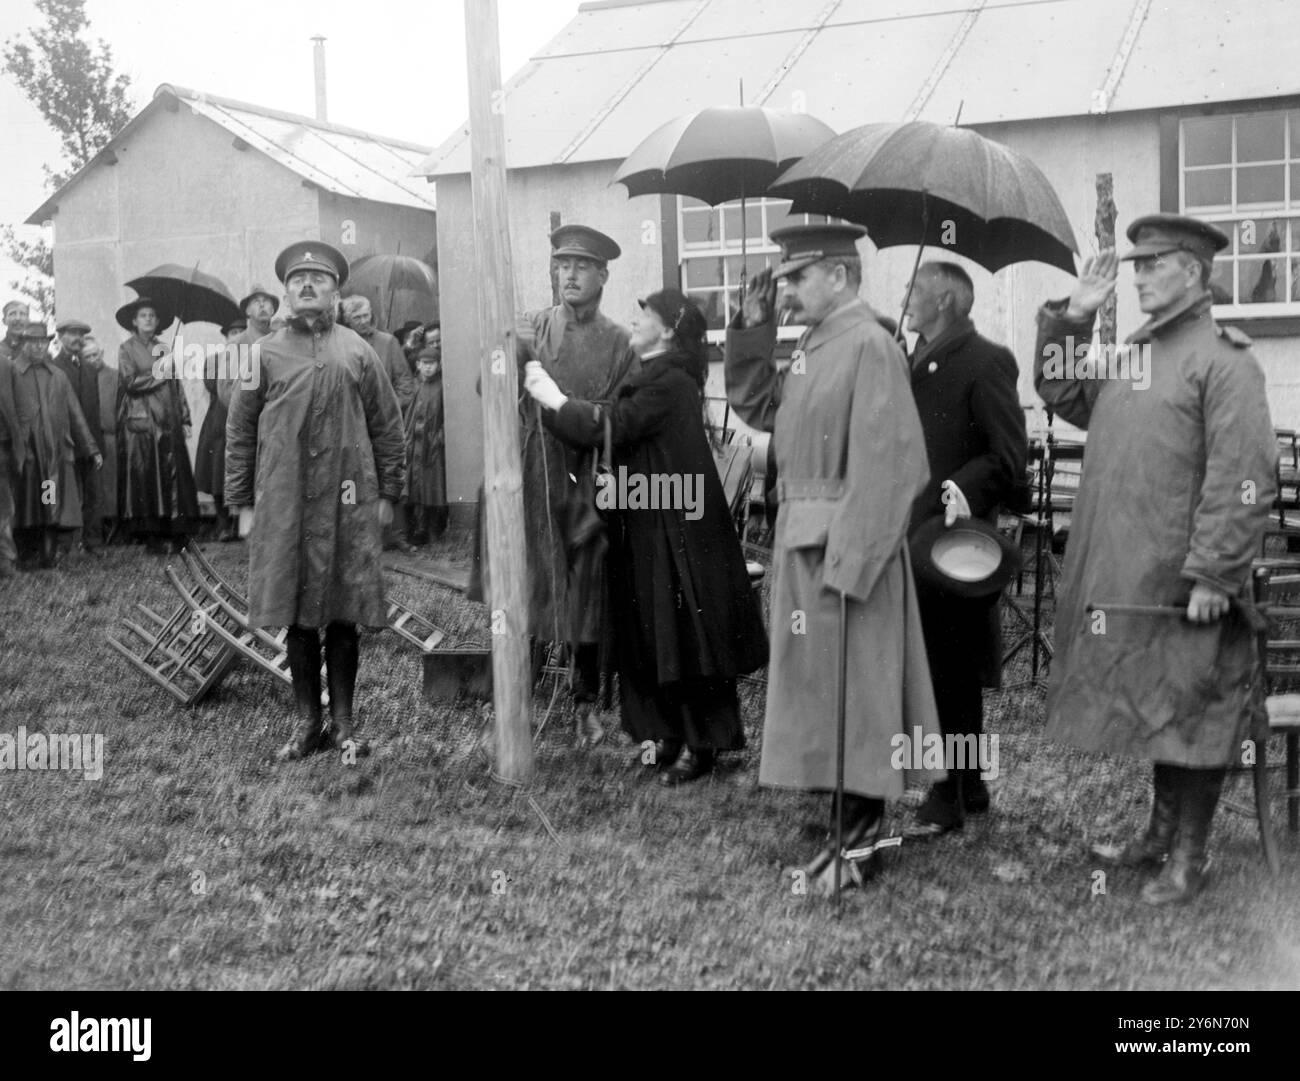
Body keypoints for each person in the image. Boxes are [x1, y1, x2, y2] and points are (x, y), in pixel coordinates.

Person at [1034, 214, 1276, 905]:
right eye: (1135, 264)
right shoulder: (1137, 355)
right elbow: (1062, 391)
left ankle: (1190, 858)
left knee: (1194, 712)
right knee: (1158, 706)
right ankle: (1158, 833)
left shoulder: (1226, 362)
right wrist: (1072, 319)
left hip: (1186, 582)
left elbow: (1245, 480)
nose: (1137, 274)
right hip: (1133, 575)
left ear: (1195, 273)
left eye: (1154, 264)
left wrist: (1215, 574)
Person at [725, 224, 943, 887]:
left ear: (839, 276)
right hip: (804, 546)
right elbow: (762, 408)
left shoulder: (872, 345)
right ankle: (843, 835)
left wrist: (852, 562)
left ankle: (858, 844)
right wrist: (751, 333)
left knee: (861, 700)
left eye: (795, 276)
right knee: (826, 699)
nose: (783, 287)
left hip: (848, 555)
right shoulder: (815, 346)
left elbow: (894, 466)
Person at [525, 289, 768, 783]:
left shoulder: (670, 382)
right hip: (650, 522)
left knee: (684, 635)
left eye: (646, 317)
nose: (635, 323)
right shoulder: (653, 376)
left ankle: (702, 747)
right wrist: (560, 406)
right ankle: (669, 738)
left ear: (669, 330)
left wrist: (553, 398)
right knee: (656, 633)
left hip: (676, 530)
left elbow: (613, 426)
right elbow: (608, 429)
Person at [225, 241, 405, 762]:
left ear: (336, 291)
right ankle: (308, 724)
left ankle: (345, 724)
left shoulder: (357, 350)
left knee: (344, 612)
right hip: (286, 503)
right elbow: (240, 433)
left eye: (319, 278)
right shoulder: (263, 354)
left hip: (349, 502)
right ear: (285, 290)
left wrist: (388, 493)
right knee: (298, 615)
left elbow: (388, 427)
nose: (307, 285)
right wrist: (243, 505)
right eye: (298, 278)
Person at [474, 224, 637, 746]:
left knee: (585, 588)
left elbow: (623, 415)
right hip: (531, 473)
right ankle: (516, 693)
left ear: (603, 275)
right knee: (526, 580)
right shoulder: (534, 327)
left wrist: (574, 415)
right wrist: (509, 348)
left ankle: (584, 704)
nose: (569, 275)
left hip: (587, 476)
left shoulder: (620, 342)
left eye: (582, 267)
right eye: (562, 265)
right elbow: (488, 385)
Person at [902, 262, 1028, 832]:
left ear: (947, 302)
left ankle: (946, 794)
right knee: (937, 661)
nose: (904, 299)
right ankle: (970, 784)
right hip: (913, 534)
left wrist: (964, 485)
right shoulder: (911, 359)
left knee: (946, 666)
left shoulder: (986, 359)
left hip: (950, 542)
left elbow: (1010, 457)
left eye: (914, 291)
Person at [11, 323, 102, 568]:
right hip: (25, 456)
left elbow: (76, 413)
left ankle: (47, 551)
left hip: (52, 458)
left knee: (49, 500)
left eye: (44, 341)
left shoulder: (58, 376)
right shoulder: (12, 372)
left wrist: (91, 447)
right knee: (25, 503)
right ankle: (24, 552)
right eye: (33, 341)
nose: (40, 346)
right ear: (23, 343)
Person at [115, 296, 200, 553]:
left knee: (173, 476)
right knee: (148, 476)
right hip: (144, 422)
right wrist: (157, 373)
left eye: (152, 315)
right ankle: (152, 537)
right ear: (134, 321)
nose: (149, 319)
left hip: (169, 420)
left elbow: (175, 384)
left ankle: (178, 534)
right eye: (143, 315)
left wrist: (184, 417)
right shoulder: (127, 348)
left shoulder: (163, 347)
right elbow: (130, 382)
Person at [51, 318, 106, 559]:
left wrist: (96, 445)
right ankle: (66, 545)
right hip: (68, 443)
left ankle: (93, 543)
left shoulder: (90, 368)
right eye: (71, 334)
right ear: (60, 337)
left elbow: (92, 410)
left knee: (94, 495)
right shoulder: (54, 368)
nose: (76, 339)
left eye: (80, 334)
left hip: (91, 443)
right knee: (66, 496)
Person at [403, 338, 448, 545]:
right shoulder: (414, 385)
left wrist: (440, 436)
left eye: (432, 363)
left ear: (438, 365)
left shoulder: (442, 387)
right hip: (414, 444)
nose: (428, 368)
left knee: (433, 486)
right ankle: (417, 528)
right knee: (414, 486)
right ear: (418, 364)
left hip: (433, 445)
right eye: (424, 363)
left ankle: (433, 529)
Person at [0, 338, 22, 577]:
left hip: (1, 447)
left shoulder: (5, 365)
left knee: (4, 507)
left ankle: (5, 562)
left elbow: (20, 406)